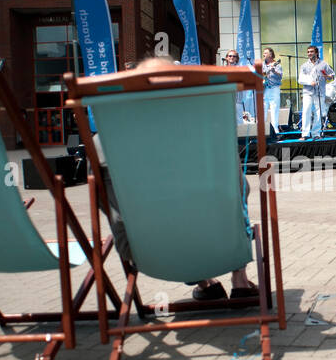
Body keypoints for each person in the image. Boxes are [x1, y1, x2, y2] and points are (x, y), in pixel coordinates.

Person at [98, 57, 260, 301]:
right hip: (224, 245)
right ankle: (240, 280)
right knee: (236, 186)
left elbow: (115, 214)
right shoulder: (209, 135)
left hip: (154, 255)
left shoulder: (107, 143)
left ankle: (206, 283)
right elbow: (239, 196)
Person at [298, 45, 333, 139]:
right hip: (307, 92)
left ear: (316, 53)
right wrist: (309, 82)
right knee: (306, 111)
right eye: (308, 52)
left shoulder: (324, 64)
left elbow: (332, 75)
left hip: (319, 91)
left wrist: (328, 77)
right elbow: (300, 79)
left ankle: (316, 134)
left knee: (318, 113)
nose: (309, 53)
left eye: (311, 52)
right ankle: (305, 134)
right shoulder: (304, 66)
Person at [260, 47, 283, 135]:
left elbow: (280, 76)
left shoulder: (277, 64)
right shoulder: (262, 65)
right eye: (263, 53)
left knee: (274, 108)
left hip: (274, 88)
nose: (263, 54)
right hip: (264, 88)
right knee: (263, 108)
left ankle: (275, 129)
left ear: (270, 54)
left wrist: (274, 71)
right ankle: (262, 130)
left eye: (265, 53)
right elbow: (259, 74)